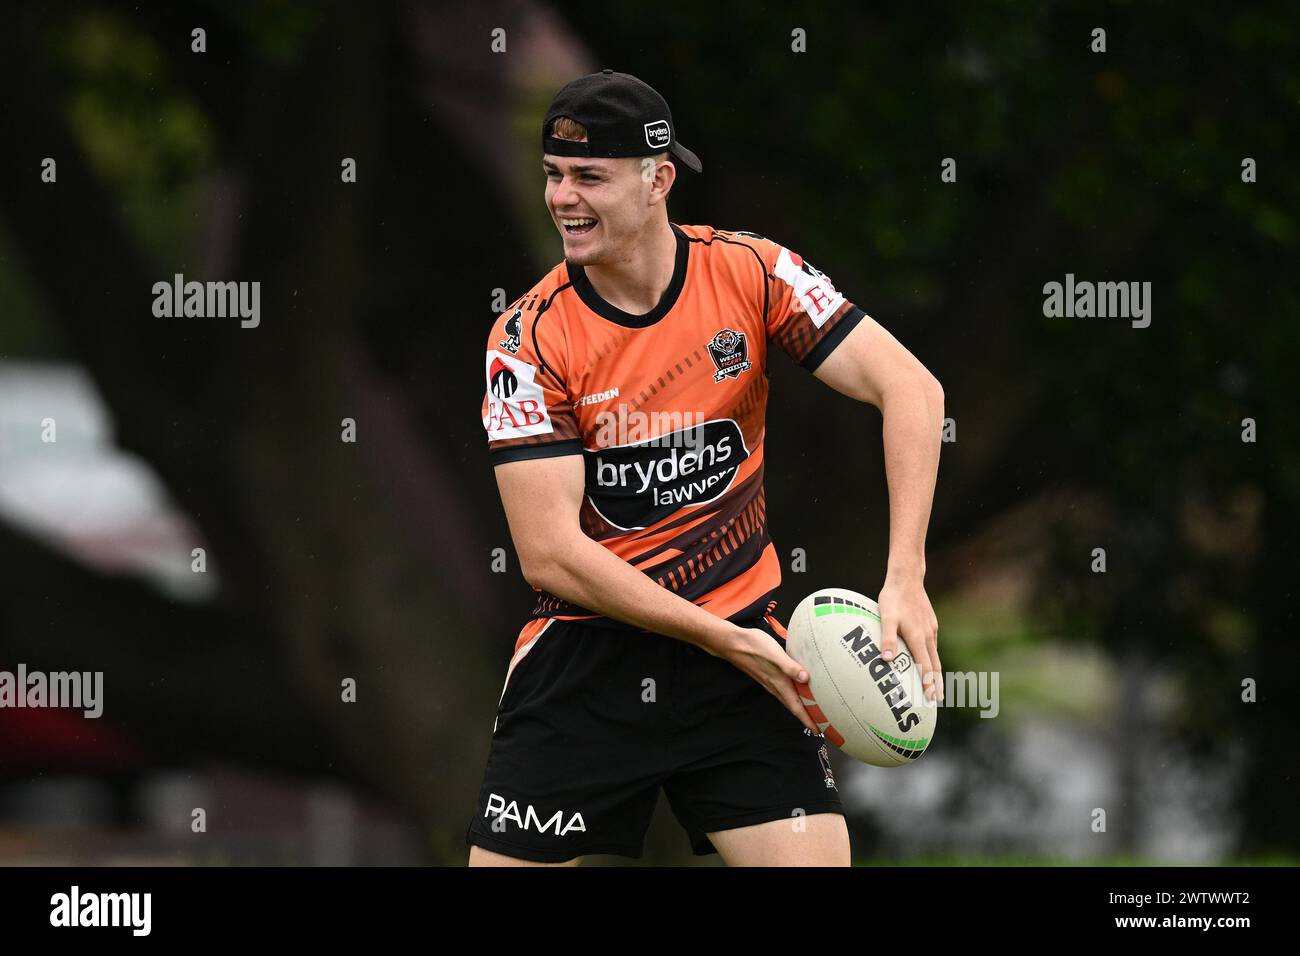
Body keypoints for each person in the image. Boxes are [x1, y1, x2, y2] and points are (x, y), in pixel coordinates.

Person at [469, 70, 944, 867]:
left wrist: (905, 575)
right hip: (587, 664)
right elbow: (550, 553)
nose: (562, 198)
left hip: (741, 667)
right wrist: (723, 638)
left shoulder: (751, 274)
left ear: (658, 180)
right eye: (553, 175)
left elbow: (912, 389)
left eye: (590, 176)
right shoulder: (526, 340)